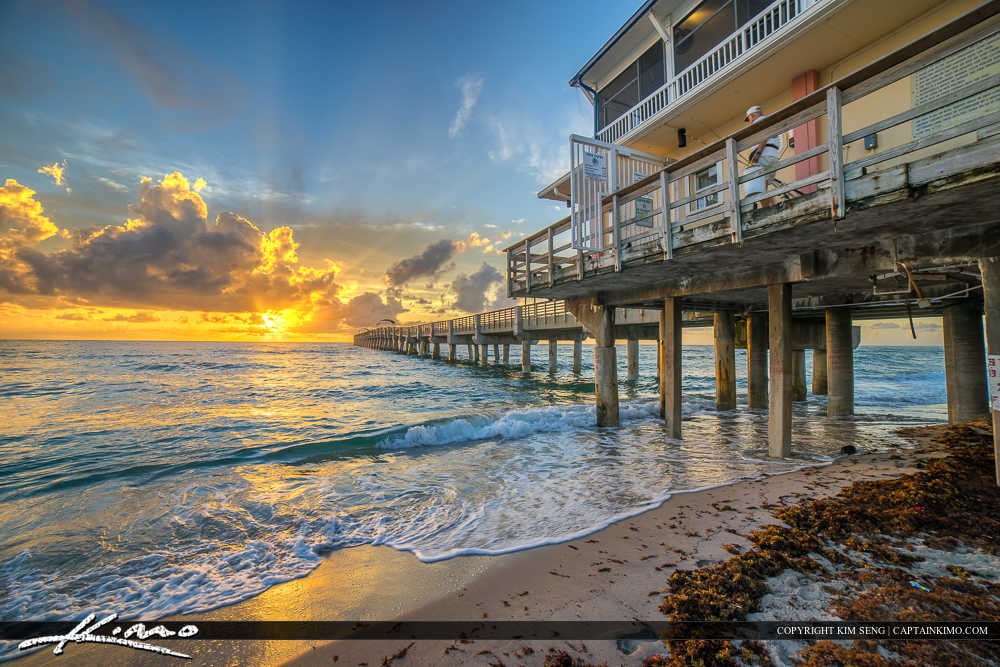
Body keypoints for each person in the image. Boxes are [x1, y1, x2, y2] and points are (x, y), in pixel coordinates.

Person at [743, 105, 783, 207]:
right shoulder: (769, 121)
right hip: (773, 155)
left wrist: (758, 153)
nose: (750, 121)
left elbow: (763, 137)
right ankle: (773, 207)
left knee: (759, 187)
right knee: (764, 186)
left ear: (752, 115)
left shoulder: (759, 122)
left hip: (764, 155)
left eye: (749, 119)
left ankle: (767, 210)